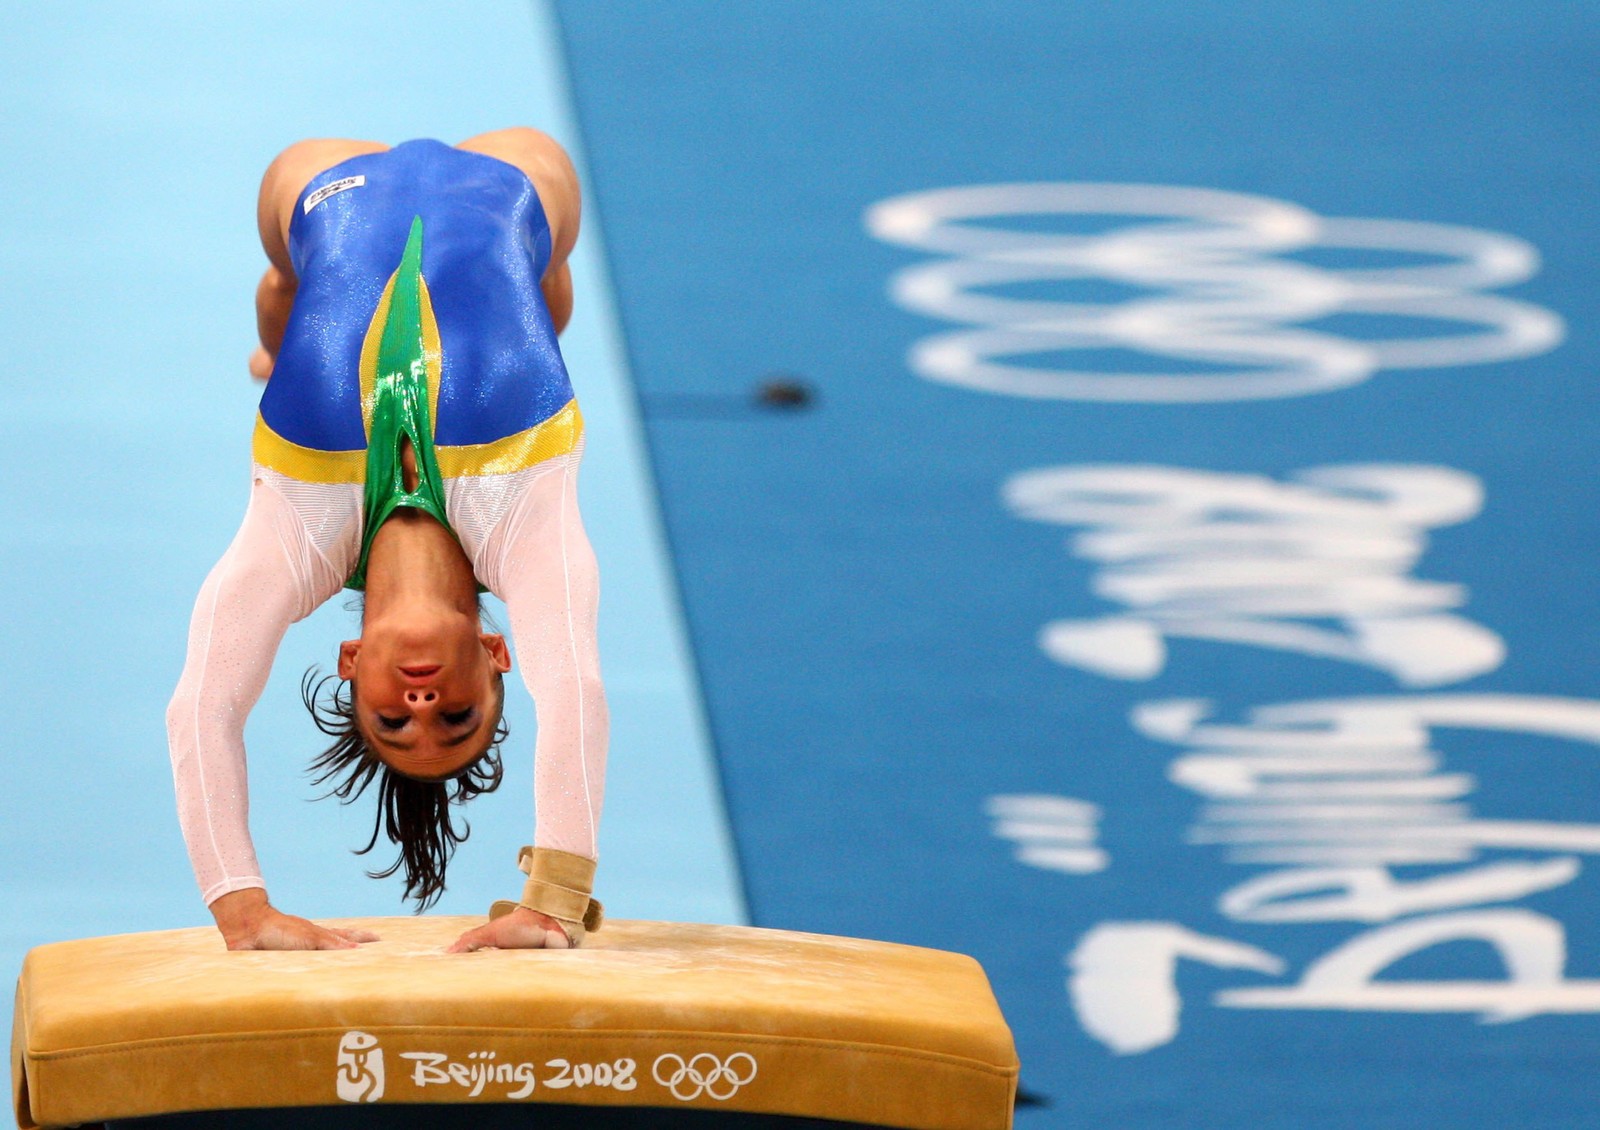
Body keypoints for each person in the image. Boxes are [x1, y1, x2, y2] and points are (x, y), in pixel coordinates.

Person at [166, 129, 608, 953]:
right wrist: (554, 899)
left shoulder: (294, 537)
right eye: (459, 716)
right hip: (514, 178)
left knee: (288, 282)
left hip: (327, 180)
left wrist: (241, 907)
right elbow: (576, 687)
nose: (421, 706)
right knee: (545, 283)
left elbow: (203, 705)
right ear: (495, 652)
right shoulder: (526, 528)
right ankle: (524, 289)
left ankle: (274, 338)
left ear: (349, 665)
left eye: (393, 723)